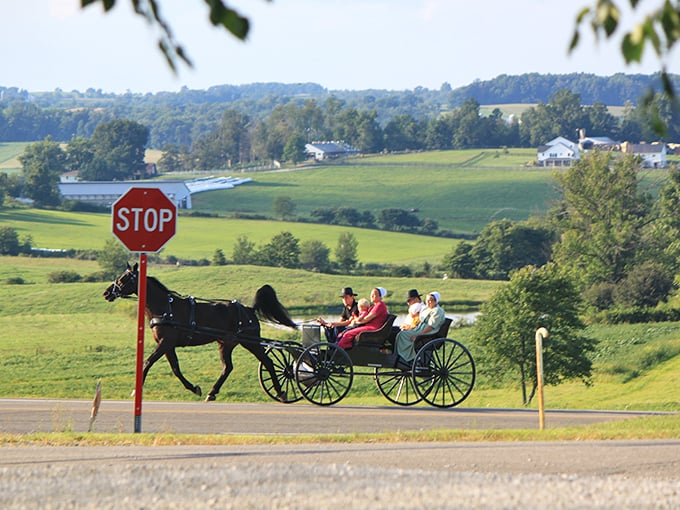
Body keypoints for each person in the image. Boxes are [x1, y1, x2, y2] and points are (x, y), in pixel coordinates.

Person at [395, 291, 446, 365]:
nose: (428, 302)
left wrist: (418, 335)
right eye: (427, 300)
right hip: (419, 328)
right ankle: (405, 355)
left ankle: (409, 357)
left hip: (428, 332)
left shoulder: (437, 311)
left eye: (431, 300)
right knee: (401, 333)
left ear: (436, 301)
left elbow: (431, 326)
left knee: (402, 335)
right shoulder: (426, 309)